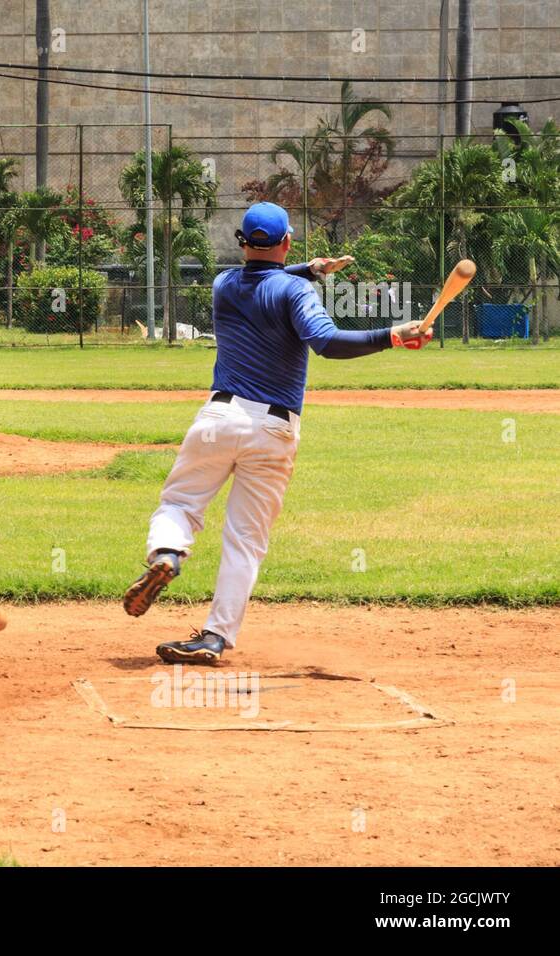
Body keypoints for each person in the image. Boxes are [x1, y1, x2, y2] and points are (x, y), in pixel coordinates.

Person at [122, 201, 432, 664]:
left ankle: (167, 553)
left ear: (243, 243)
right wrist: (392, 334)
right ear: (287, 242)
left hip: (218, 420)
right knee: (245, 540)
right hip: (274, 429)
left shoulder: (222, 284)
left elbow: (266, 274)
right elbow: (325, 342)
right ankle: (214, 636)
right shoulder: (294, 292)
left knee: (180, 505)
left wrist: (311, 268)